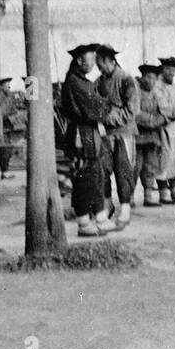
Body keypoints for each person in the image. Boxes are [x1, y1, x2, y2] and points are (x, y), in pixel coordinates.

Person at [61, 44, 119, 237]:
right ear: (79, 61)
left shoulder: (78, 80)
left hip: (88, 134)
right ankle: (85, 221)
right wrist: (107, 104)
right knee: (85, 178)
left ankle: (100, 217)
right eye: (91, 60)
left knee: (95, 175)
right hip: (81, 135)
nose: (94, 64)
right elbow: (95, 106)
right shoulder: (76, 82)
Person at [95, 45, 139, 228]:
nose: (99, 67)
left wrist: (110, 117)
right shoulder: (98, 82)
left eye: (102, 63)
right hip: (105, 134)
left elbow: (132, 109)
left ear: (111, 61)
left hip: (124, 133)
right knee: (103, 169)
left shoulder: (126, 79)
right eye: (98, 64)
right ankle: (108, 204)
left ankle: (126, 208)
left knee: (123, 171)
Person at [155, 56, 175, 203]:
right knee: (165, 158)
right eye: (168, 69)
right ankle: (163, 190)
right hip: (166, 127)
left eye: (173, 69)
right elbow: (164, 108)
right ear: (163, 69)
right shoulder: (158, 87)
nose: (171, 72)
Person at [134, 64, 167, 206]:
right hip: (138, 136)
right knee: (136, 166)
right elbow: (135, 113)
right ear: (142, 78)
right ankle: (128, 197)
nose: (151, 81)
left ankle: (148, 195)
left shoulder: (157, 94)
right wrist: (152, 120)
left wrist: (158, 120)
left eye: (154, 78)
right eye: (148, 77)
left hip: (153, 137)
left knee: (151, 165)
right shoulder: (136, 92)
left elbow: (165, 112)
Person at [0, 78, 17, 179]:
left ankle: (5, 170)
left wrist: (13, 116)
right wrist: (9, 116)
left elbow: (14, 110)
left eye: (9, 85)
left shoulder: (10, 97)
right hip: (1, 126)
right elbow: (0, 113)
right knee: (4, 148)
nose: (9, 87)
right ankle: (4, 171)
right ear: (1, 86)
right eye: (7, 85)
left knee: (8, 148)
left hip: (8, 126)